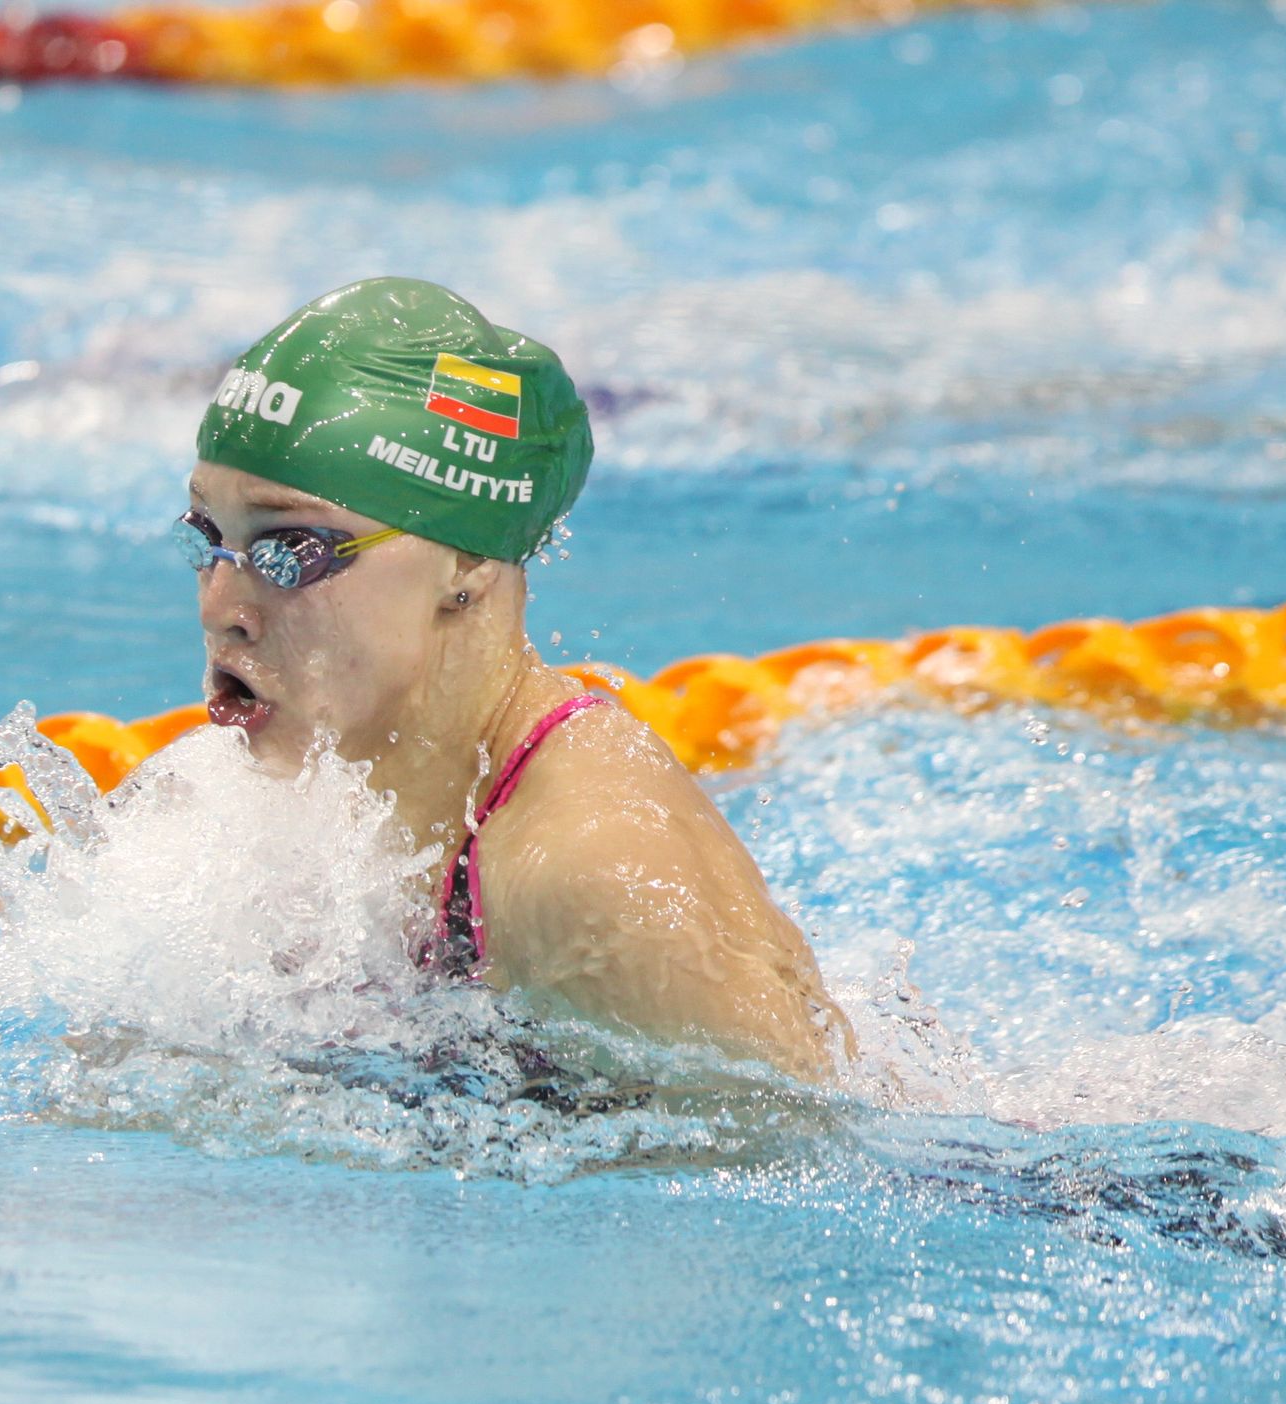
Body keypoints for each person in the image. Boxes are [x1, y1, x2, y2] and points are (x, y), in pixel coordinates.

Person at [184, 277, 852, 1081]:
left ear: (464, 561)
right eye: (208, 536)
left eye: (291, 549)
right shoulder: (283, 794)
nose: (224, 607)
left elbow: (796, 1175)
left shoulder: (592, 875)